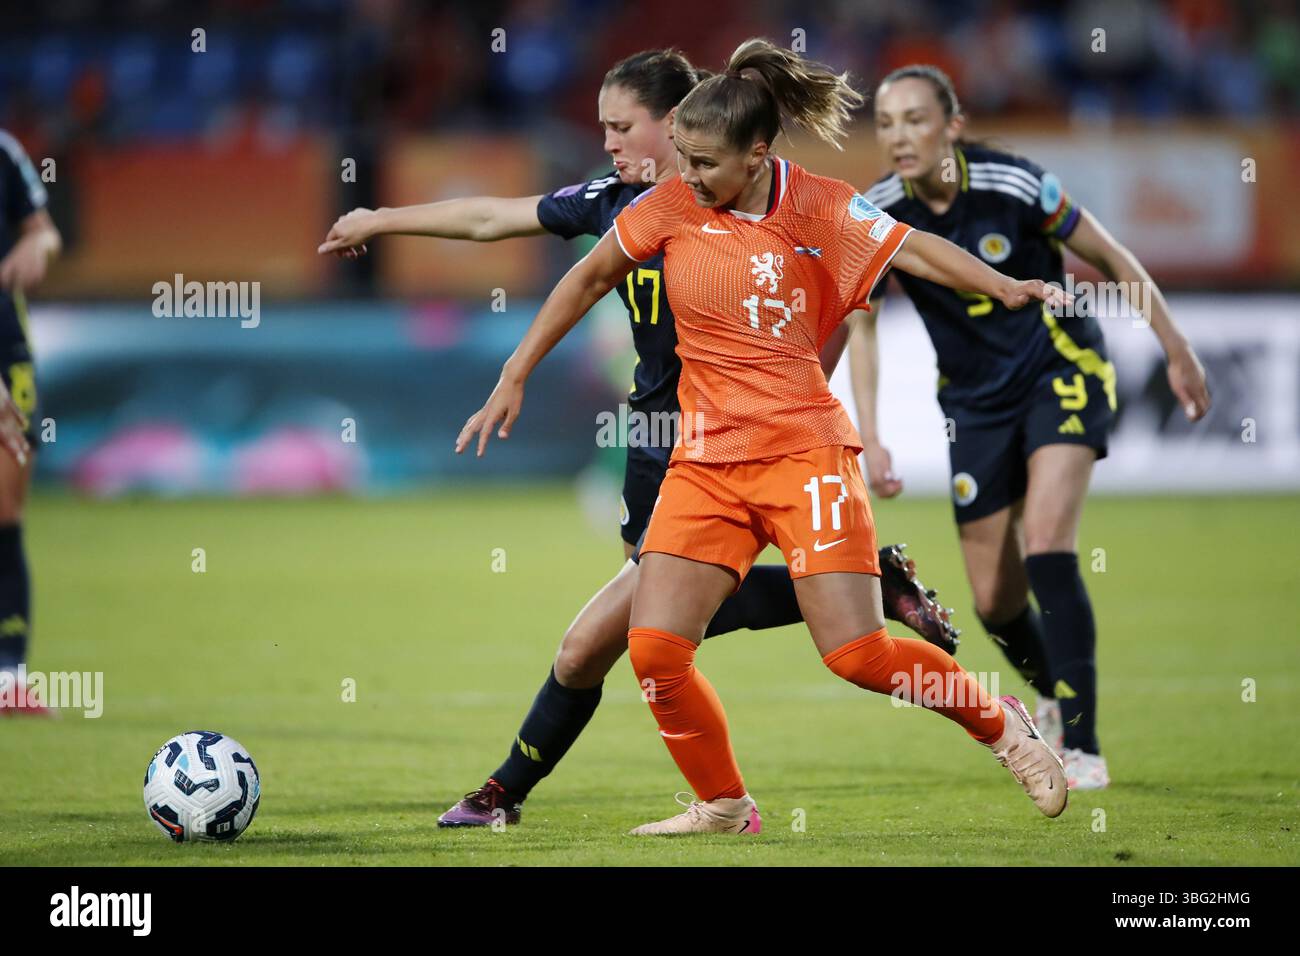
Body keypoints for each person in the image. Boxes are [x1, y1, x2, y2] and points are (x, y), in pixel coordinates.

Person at [320, 51, 958, 827]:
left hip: (723, 446)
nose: (611, 144)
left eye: (623, 127)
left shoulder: (758, 205)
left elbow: (842, 297)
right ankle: (861, 592)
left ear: (676, 122)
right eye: (603, 129)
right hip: (657, 452)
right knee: (654, 628)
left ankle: (504, 795)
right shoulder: (617, 206)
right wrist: (382, 219)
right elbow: (494, 218)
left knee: (591, 645)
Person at [458, 39, 1072, 835]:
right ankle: (724, 804)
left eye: (706, 163)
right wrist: (515, 371)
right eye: (683, 157)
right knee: (655, 653)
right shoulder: (672, 203)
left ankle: (999, 724)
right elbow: (587, 277)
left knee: (857, 657)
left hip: (804, 452)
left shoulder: (820, 203)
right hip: (706, 460)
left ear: (756, 155)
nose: (689, 177)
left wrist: (1004, 283)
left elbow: (912, 248)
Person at [857, 65, 1212, 789]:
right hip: (972, 402)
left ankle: (1081, 744)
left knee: (1049, 544)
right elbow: (861, 325)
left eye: (916, 119)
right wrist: (870, 429)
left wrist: (1176, 347)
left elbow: (1111, 254)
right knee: (993, 599)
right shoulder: (877, 212)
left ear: (952, 125)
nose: (899, 135)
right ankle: (1050, 694)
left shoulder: (1013, 183)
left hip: (1061, 366)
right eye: (887, 121)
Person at [0, 129, 61, 717]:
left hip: (7, 348)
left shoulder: (5, 153)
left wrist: (39, 245)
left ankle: (7, 672)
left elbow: (44, 229)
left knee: (5, 509)